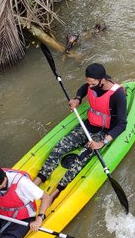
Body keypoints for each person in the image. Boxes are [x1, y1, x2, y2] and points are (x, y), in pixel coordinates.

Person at [35, 63, 127, 196]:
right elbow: (84, 89)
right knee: (59, 147)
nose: (90, 86)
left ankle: (54, 193)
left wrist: (102, 142)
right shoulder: (91, 85)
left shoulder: (117, 94)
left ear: (103, 80)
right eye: (88, 82)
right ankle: (38, 181)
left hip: (103, 132)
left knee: (79, 160)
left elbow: (122, 124)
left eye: (92, 83)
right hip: (88, 125)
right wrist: (77, 99)